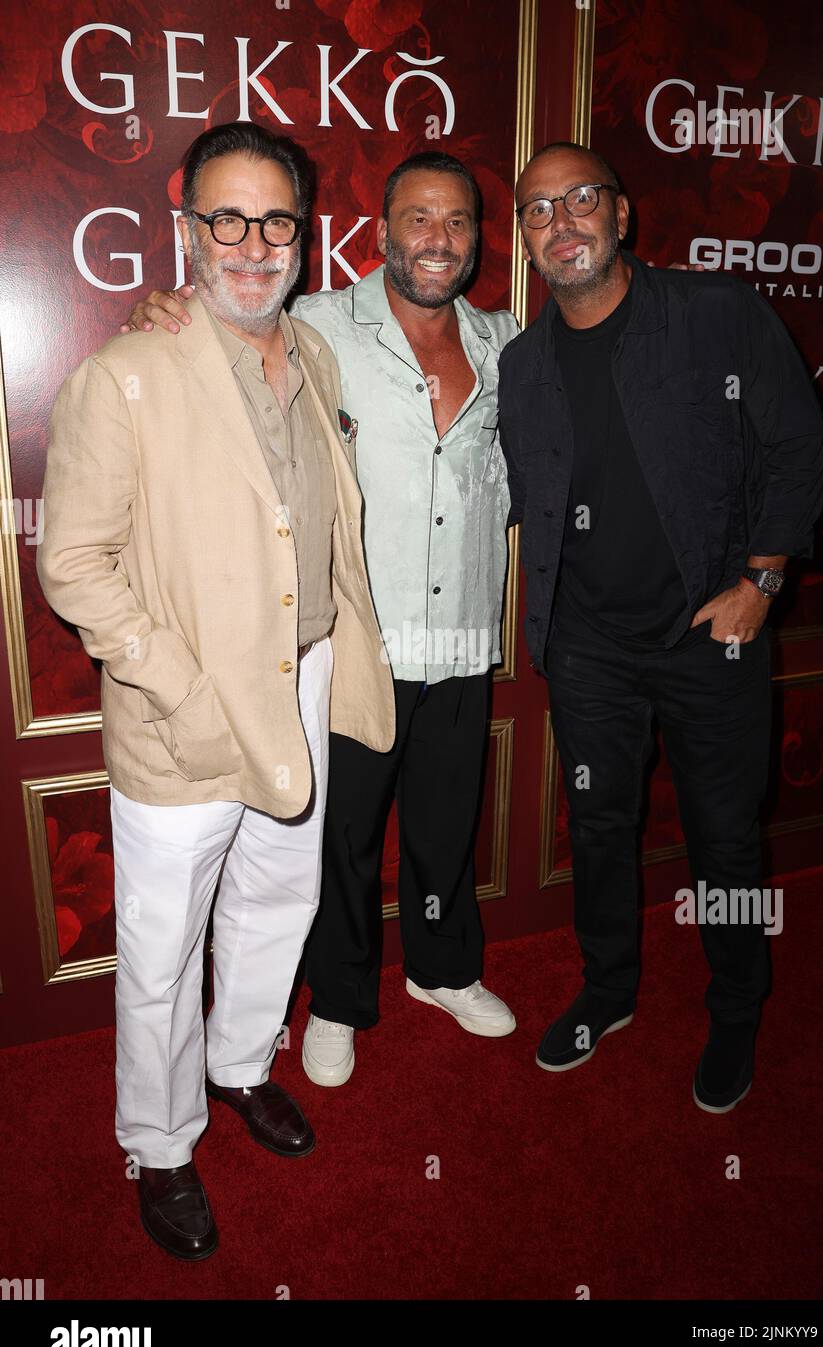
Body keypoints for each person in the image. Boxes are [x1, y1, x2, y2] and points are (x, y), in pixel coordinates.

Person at [37, 121, 394, 1260]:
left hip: (306, 680)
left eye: (275, 219)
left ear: (303, 231)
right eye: (225, 218)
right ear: (187, 229)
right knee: (160, 943)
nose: (252, 242)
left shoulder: (319, 355)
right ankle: (159, 1137)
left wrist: (338, 663)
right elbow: (73, 563)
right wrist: (181, 685)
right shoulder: (126, 373)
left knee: (276, 901)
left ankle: (241, 1067)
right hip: (184, 709)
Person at [124, 150, 519, 1087]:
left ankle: (442, 969)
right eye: (418, 219)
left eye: (458, 221)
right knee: (340, 839)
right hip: (356, 643)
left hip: (463, 632)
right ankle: (339, 999)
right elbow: (217, 320)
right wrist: (161, 305)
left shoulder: (504, 340)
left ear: (477, 239)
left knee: (443, 827)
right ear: (379, 232)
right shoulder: (316, 323)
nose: (439, 238)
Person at [498, 141, 823, 1112]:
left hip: (711, 636)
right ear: (522, 238)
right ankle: (609, 990)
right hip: (589, 648)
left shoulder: (715, 315)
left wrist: (761, 580)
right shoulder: (521, 364)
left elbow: (798, 446)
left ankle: (736, 1007)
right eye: (536, 210)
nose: (560, 222)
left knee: (725, 836)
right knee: (600, 826)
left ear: (622, 213)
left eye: (579, 200)